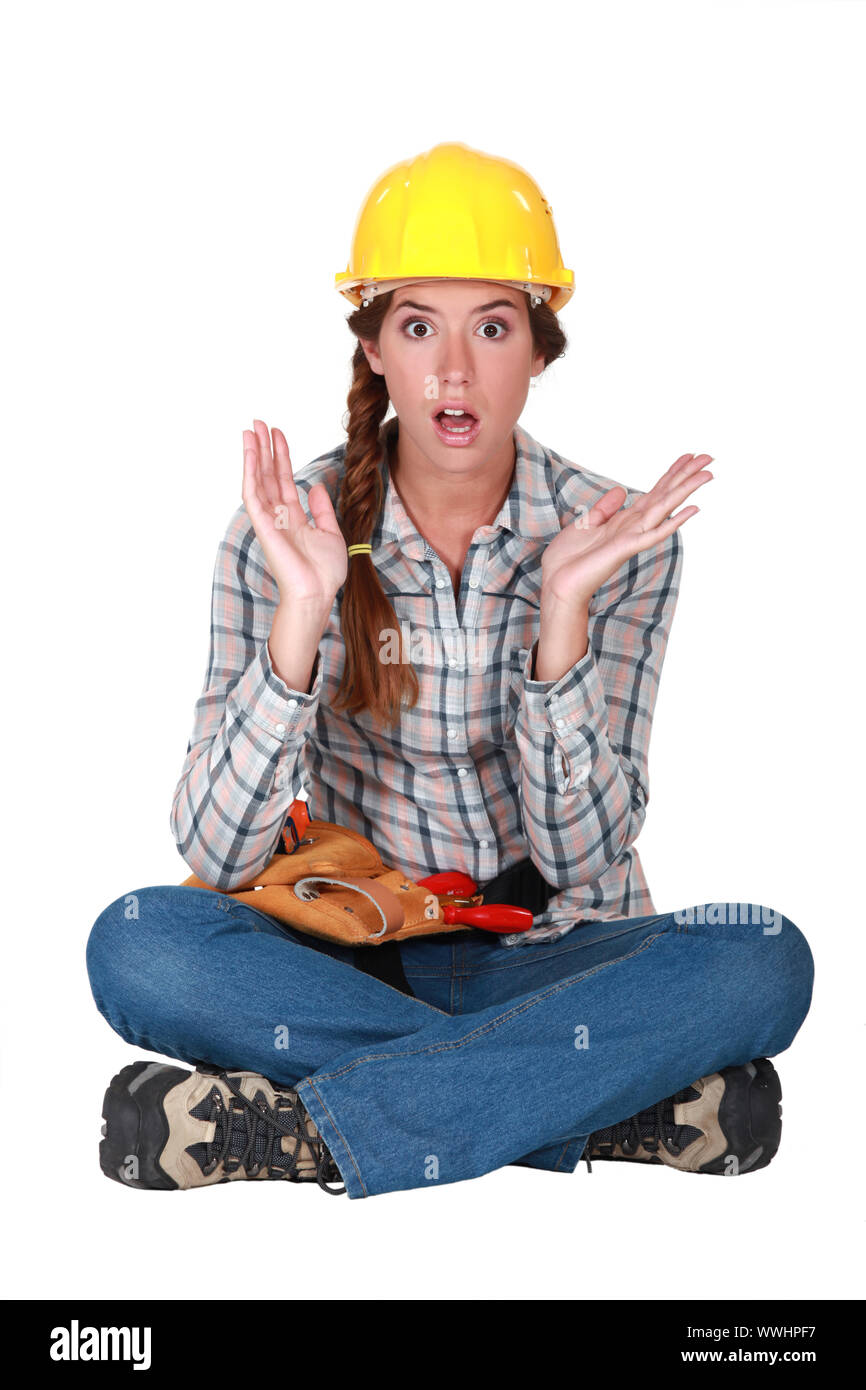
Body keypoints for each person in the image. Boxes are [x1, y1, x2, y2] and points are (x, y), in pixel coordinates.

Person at [86, 142, 814, 1199]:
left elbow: (584, 853)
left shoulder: (614, 537)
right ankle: (602, 1104)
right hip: (346, 951)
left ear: (539, 348)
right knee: (141, 942)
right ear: (374, 347)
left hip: (554, 954)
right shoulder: (286, 531)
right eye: (418, 326)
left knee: (762, 958)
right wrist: (301, 611)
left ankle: (309, 1130)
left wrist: (559, 615)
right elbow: (214, 847)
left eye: (492, 326)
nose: (453, 371)